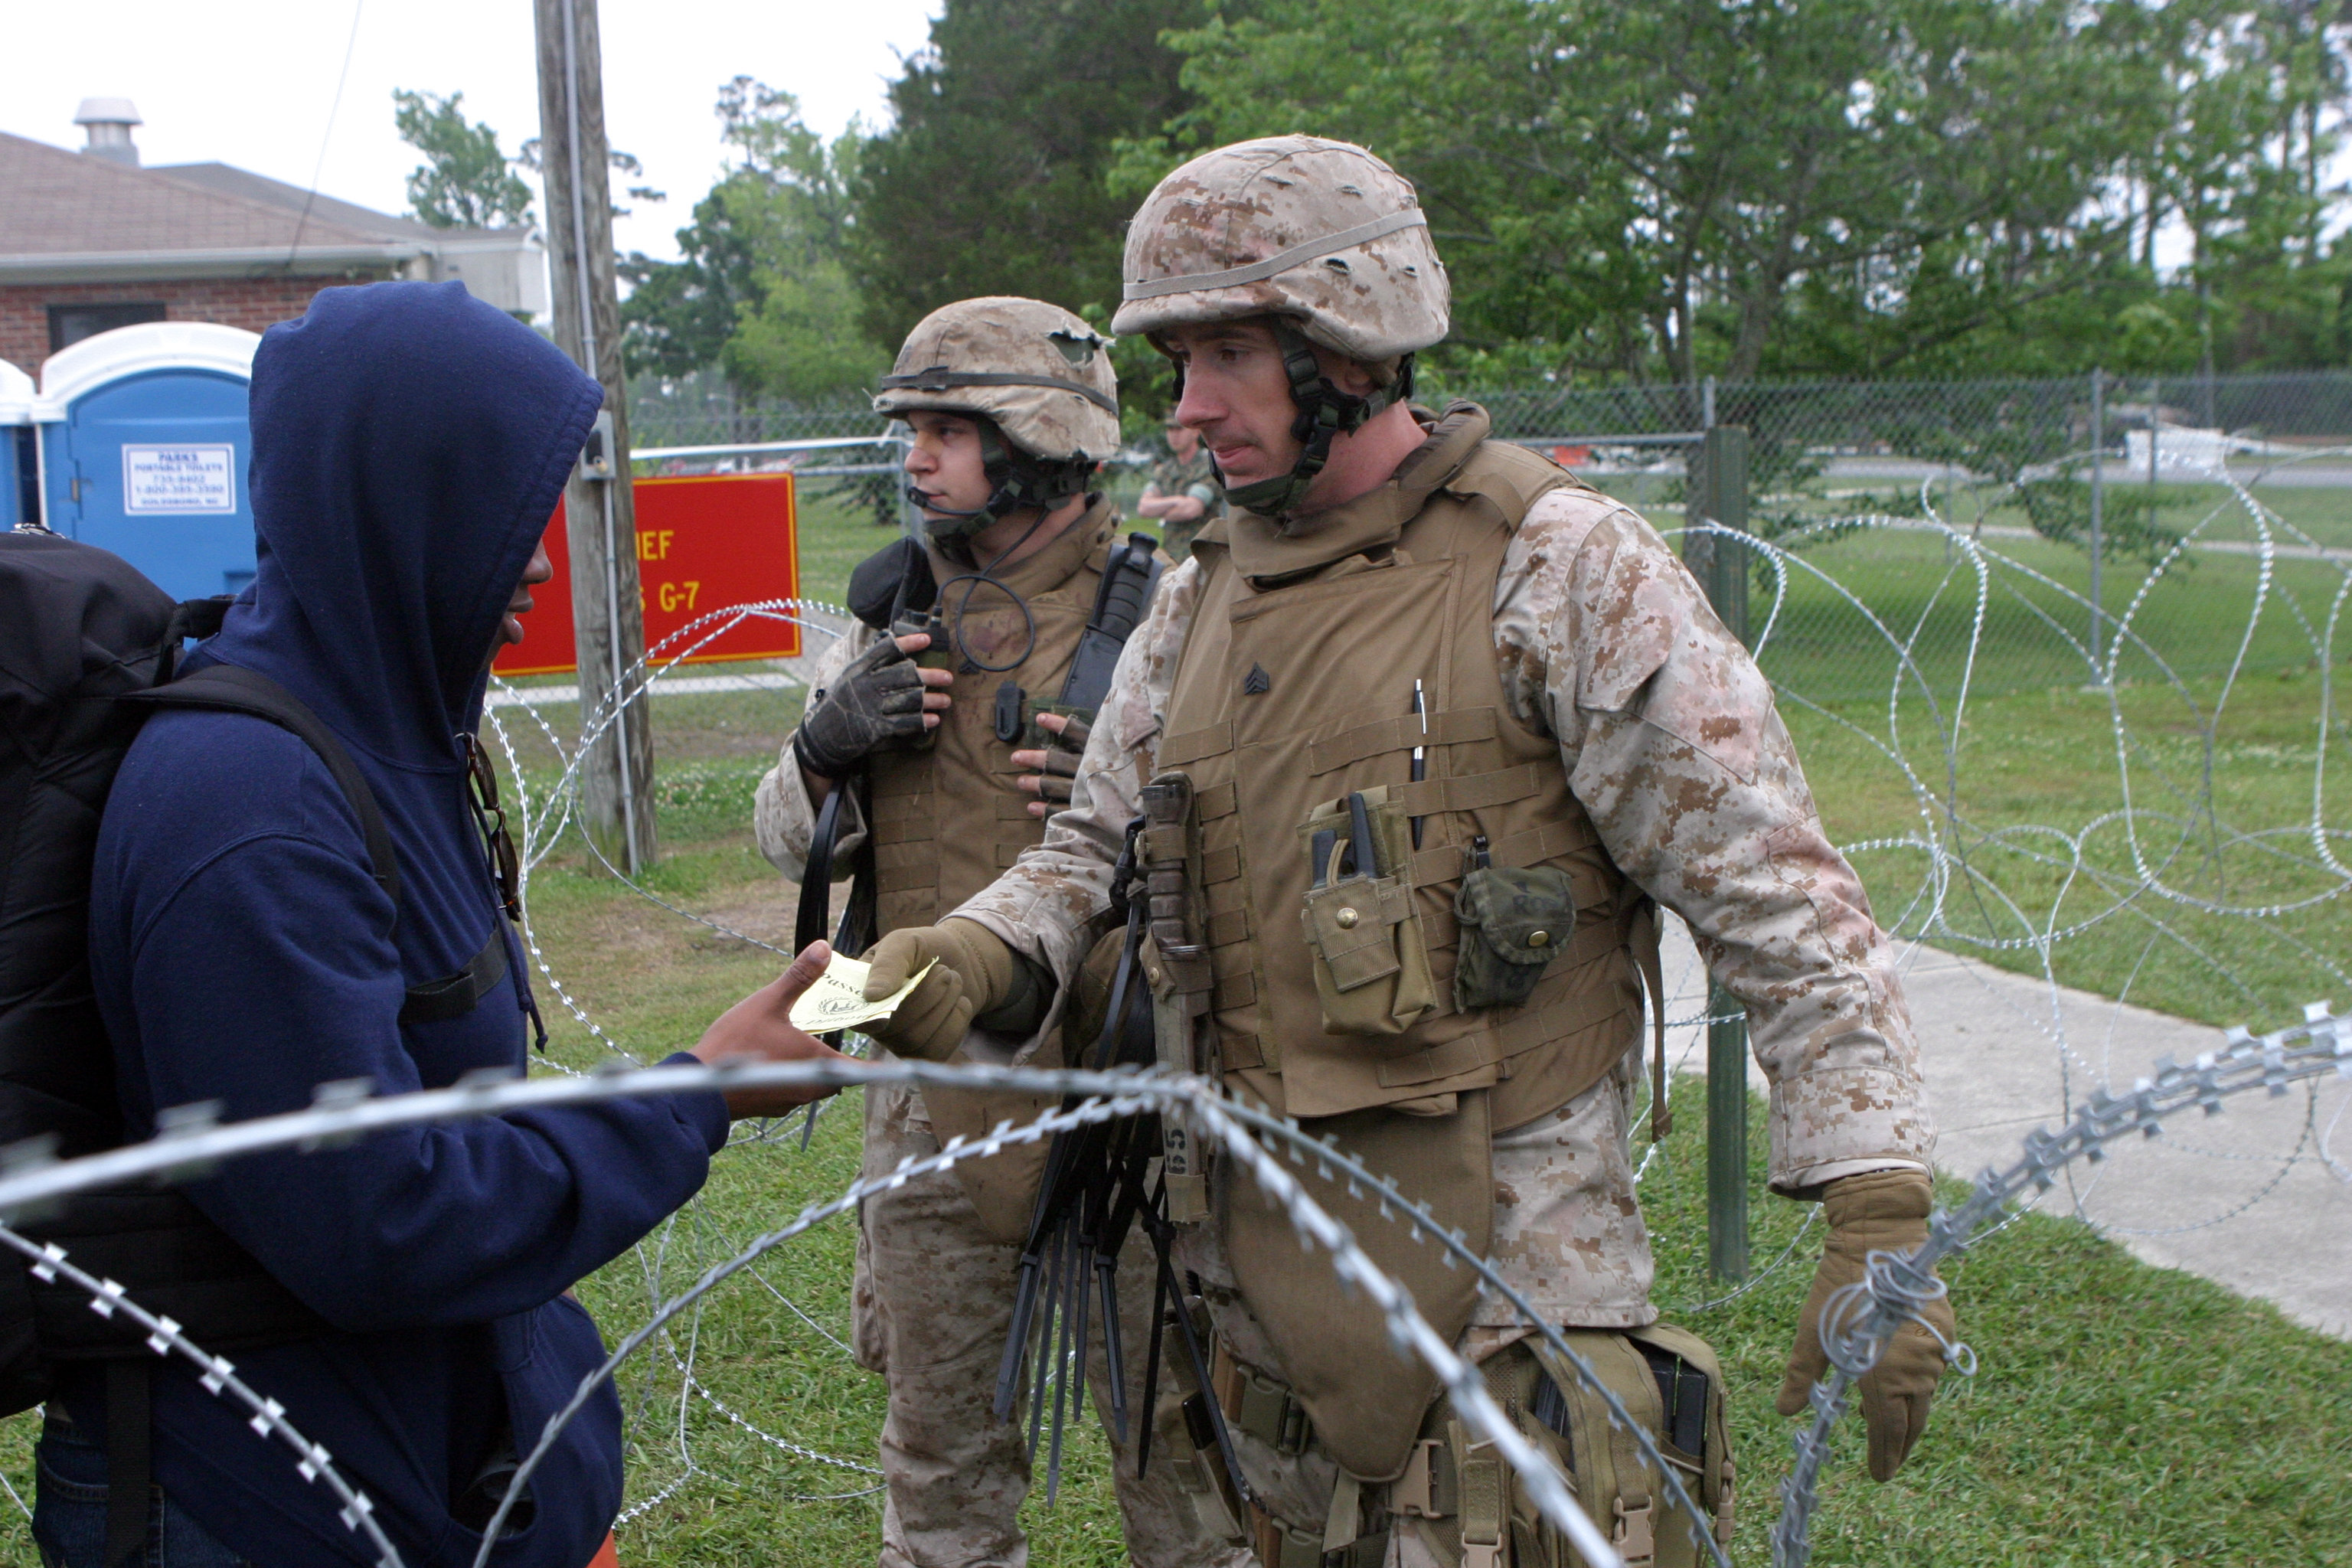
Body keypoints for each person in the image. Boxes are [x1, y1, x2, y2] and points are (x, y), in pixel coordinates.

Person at [856, 136, 1954, 1568]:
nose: (1186, 411)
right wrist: (974, 953)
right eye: (1177, 363)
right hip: (1243, 1318)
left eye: (1229, 356)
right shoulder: (1196, 610)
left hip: (1500, 1310)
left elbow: (1776, 895)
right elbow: (1085, 852)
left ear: (1352, 343)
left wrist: (1874, 1194)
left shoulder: (1557, 567)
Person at [65, 281, 846, 1568]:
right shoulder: (246, 808)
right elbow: (381, 1217)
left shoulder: (380, 735)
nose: (538, 560)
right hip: (266, 1505)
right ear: (391, 503)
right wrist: (693, 1095)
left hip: (416, 1470)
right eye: (498, 506)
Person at [751, 297, 1246, 1568]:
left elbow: (1263, 848)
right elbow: (775, 837)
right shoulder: (888, 615)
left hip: (1138, 1095)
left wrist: (1140, 804)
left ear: (1036, 437)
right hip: (929, 1090)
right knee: (938, 1473)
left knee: (1186, 1470)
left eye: (945, 428)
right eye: (909, 427)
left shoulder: (1179, 614)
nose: (914, 455)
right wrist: (827, 750)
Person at [1135, 410, 1222, 560]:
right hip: (1171, 557)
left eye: (1179, 429)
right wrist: (1176, 501)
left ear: (1196, 432)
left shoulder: (1208, 465)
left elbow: (1191, 509)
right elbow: (1144, 508)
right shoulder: (1165, 470)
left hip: (1203, 558)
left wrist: (1160, 510)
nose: (1174, 435)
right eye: (1170, 429)